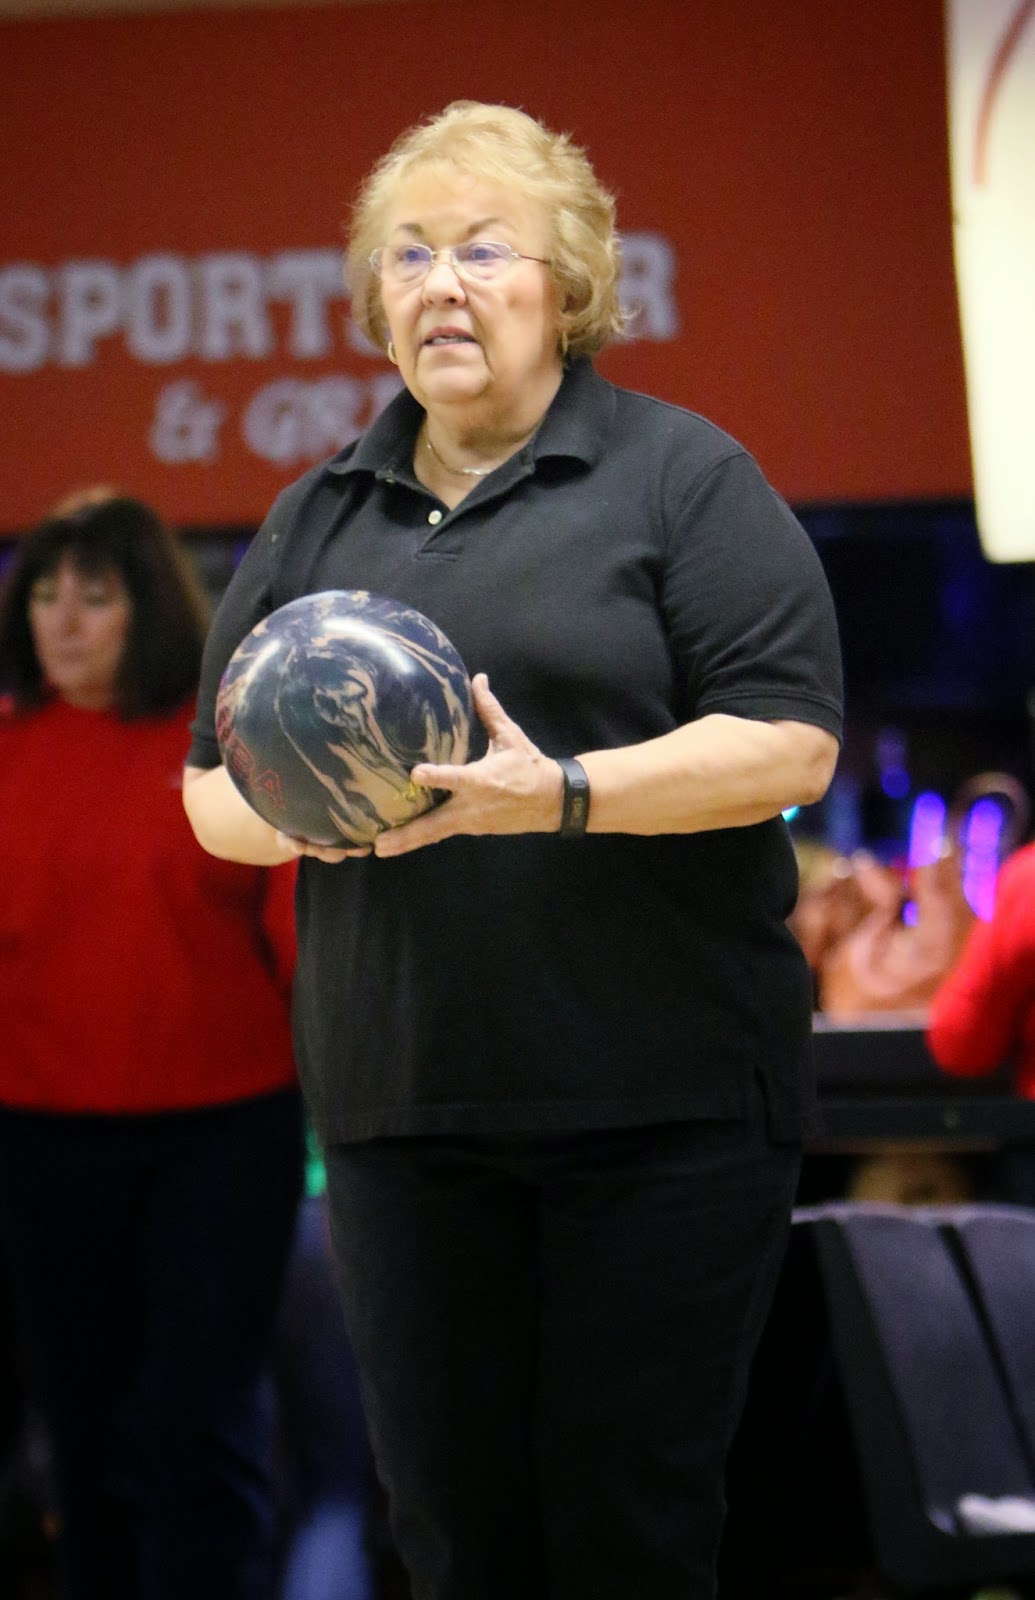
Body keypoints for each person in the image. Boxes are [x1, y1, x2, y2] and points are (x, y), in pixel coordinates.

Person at [183, 101, 843, 1600]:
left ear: (571, 285)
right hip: (403, 1107)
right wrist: (312, 817)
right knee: (457, 1537)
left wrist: (558, 792)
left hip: (662, 1108)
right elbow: (208, 792)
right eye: (407, 254)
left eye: (485, 249)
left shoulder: (678, 479)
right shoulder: (314, 517)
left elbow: (790, 743)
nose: (440, 282)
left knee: (627, 1530)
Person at [0, 495, 305, 1600]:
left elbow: (296, 932)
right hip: (40, 1135)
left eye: (95, 594)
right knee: (79, 1423)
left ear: (153, 608)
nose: (63, 621)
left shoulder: (226, 742)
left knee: (200, 1420)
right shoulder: (9, 752)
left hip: (223, 1132)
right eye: (43, 594)